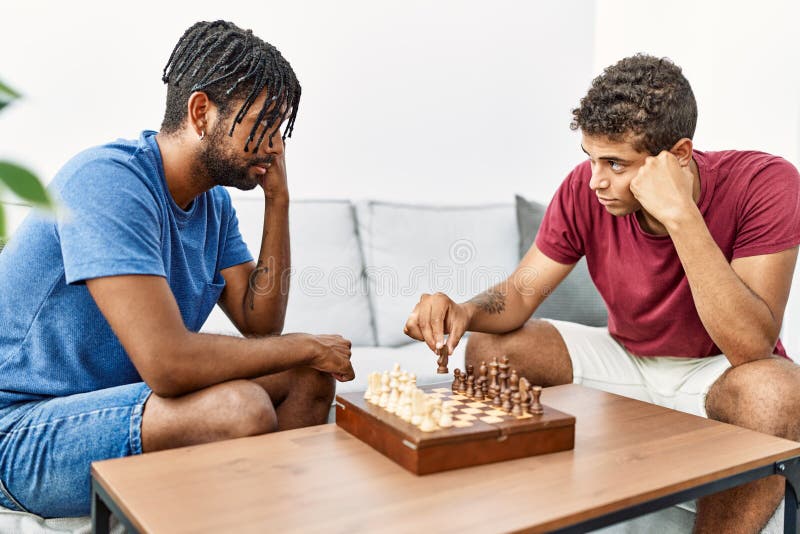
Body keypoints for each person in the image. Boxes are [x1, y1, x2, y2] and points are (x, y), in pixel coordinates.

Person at [405, 54, 800, 533]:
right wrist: (465, 310)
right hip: (626, 358)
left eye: (615, 163)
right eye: (590, 158)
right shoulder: (583, 190)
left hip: (716, 370)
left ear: (678, 155)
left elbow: (750, 345)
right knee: (493, 348)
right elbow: (522, 293)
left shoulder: (766, 182)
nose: (596, 181)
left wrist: (680, 216)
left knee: (778, 394)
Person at [0, 20, 354, 518]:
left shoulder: (212, 207)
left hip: (119, 407)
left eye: (281, 129)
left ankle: (271, 520)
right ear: (201, 112)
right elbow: (168, 363)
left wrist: (279, 200)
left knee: (309, 376)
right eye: (263, 124)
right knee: (240, 407)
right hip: (19, 430)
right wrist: (306, 342)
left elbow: (260, 321)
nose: (275, 145)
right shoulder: (107, 181)